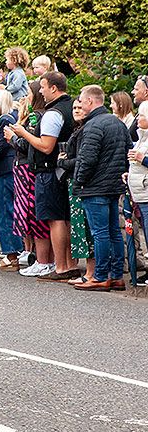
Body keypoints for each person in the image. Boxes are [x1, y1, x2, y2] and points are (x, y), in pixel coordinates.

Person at [6, 71, 76, 278]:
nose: (41, 92)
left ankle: (60, 266)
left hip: (49, 171)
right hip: (63, 170)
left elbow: (46, 146)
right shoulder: (70, 107)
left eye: (43, 87)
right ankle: (67, 264)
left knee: (55, 219)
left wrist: (23, 133)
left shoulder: (53, 113)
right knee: (64, 219)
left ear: (53, 88)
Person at [72, 85, 131, 291]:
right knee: (114, 231)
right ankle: (116, 275)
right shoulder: (117, 123)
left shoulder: (93, 125)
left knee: (100, 233)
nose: (79, 104)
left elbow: (87, 159)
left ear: (90, 101)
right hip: (114, 186)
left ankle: (100, 275)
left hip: (95, 187)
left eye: (81, 100)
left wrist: (79, 181)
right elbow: (127, 150)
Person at [5, 81, 52, 275]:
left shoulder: (37, 117)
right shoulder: (36, 116)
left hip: (29, 168)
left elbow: (29, 145)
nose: (27, 97)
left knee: (33, 215)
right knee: (27, 214)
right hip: (24, 167)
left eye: (31, 93)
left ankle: (42, 260)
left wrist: (13, 138)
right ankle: (35, 255)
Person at [57, 98, 94, 284]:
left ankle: (91, 272)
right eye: (74, 107)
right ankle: (88, 271)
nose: (76, 110)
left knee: (86, 228)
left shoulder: (87, 130)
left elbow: (82, 160)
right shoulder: (77, 129)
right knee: (79, 227)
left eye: (80, 107)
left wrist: (63, 162)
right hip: (74, 182)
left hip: (82, 182)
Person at [0, 89, 23, 265]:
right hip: (6, 170)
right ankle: (13, 251)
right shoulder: (4, 119)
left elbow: (1, 147)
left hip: (5, 170)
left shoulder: (5, 120)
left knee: (4, 211)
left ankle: (11, 253)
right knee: (7, 210)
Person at [125, 101, 148, 286]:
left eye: (141, 116)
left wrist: (143, 159)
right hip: (139, 192)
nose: (138, 119)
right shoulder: (141, 136)